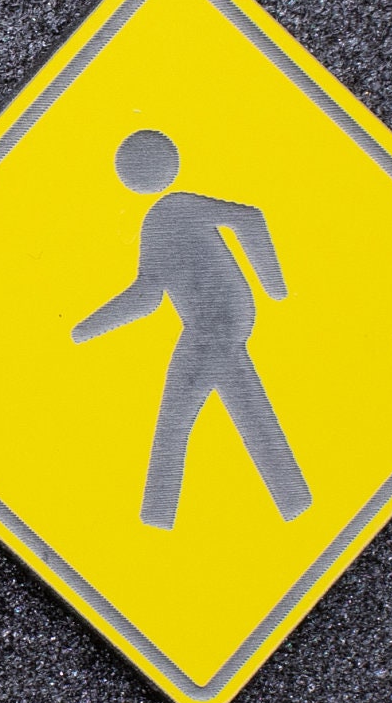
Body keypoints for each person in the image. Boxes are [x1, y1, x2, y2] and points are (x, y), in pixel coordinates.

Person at [72, 128, 314, 529]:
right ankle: (295, 503)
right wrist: (87, 328)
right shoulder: (159, 221)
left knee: (178, 425)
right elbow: (149, 294)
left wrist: (275, 285)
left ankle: (157, 519)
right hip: (216, 328)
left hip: (212, 329)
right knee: (240, 415)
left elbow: (249, 218)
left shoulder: (174, 209)